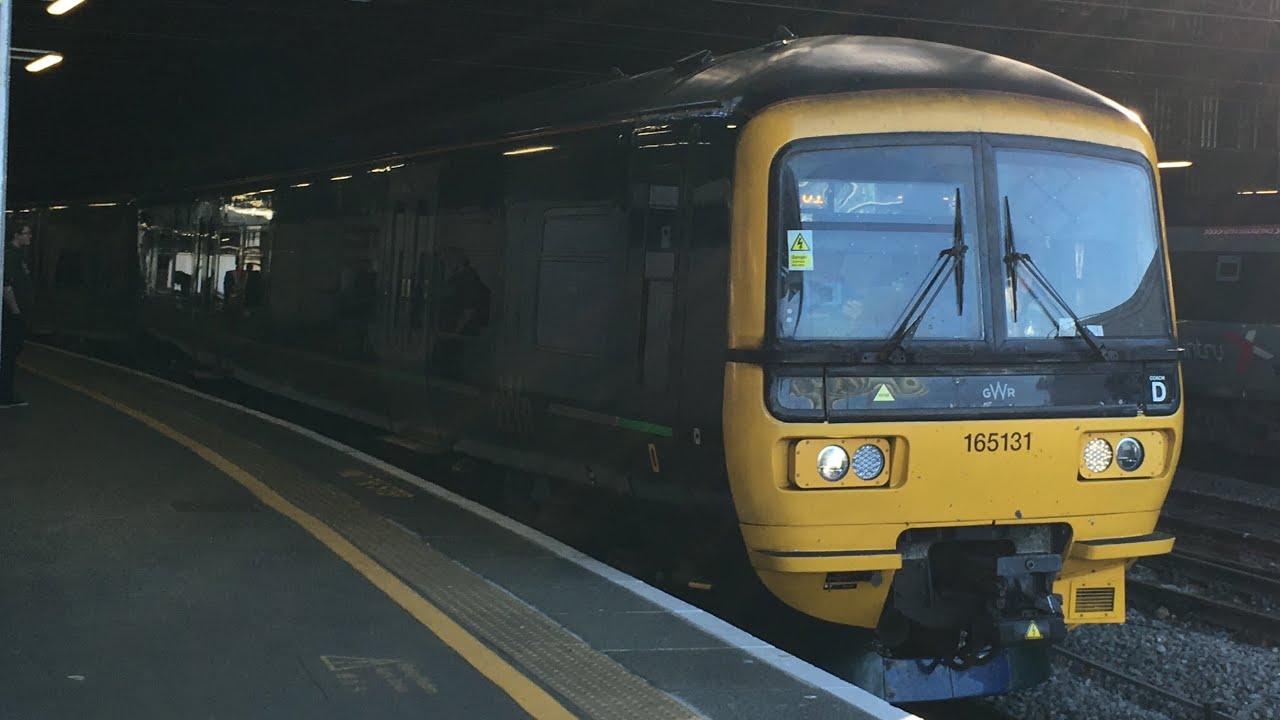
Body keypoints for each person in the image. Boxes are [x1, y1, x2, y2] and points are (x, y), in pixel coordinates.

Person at [2, 223, 35, 408]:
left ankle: (7, 393)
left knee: (12, 353)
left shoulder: (18, 256)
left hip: (17, 313)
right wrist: (15, 311)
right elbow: (6, 286)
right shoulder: (10, 256)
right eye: (27, 233)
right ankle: (5, 395)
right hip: (12, 315)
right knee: (8, 353)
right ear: (16, 235)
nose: (30, 236)